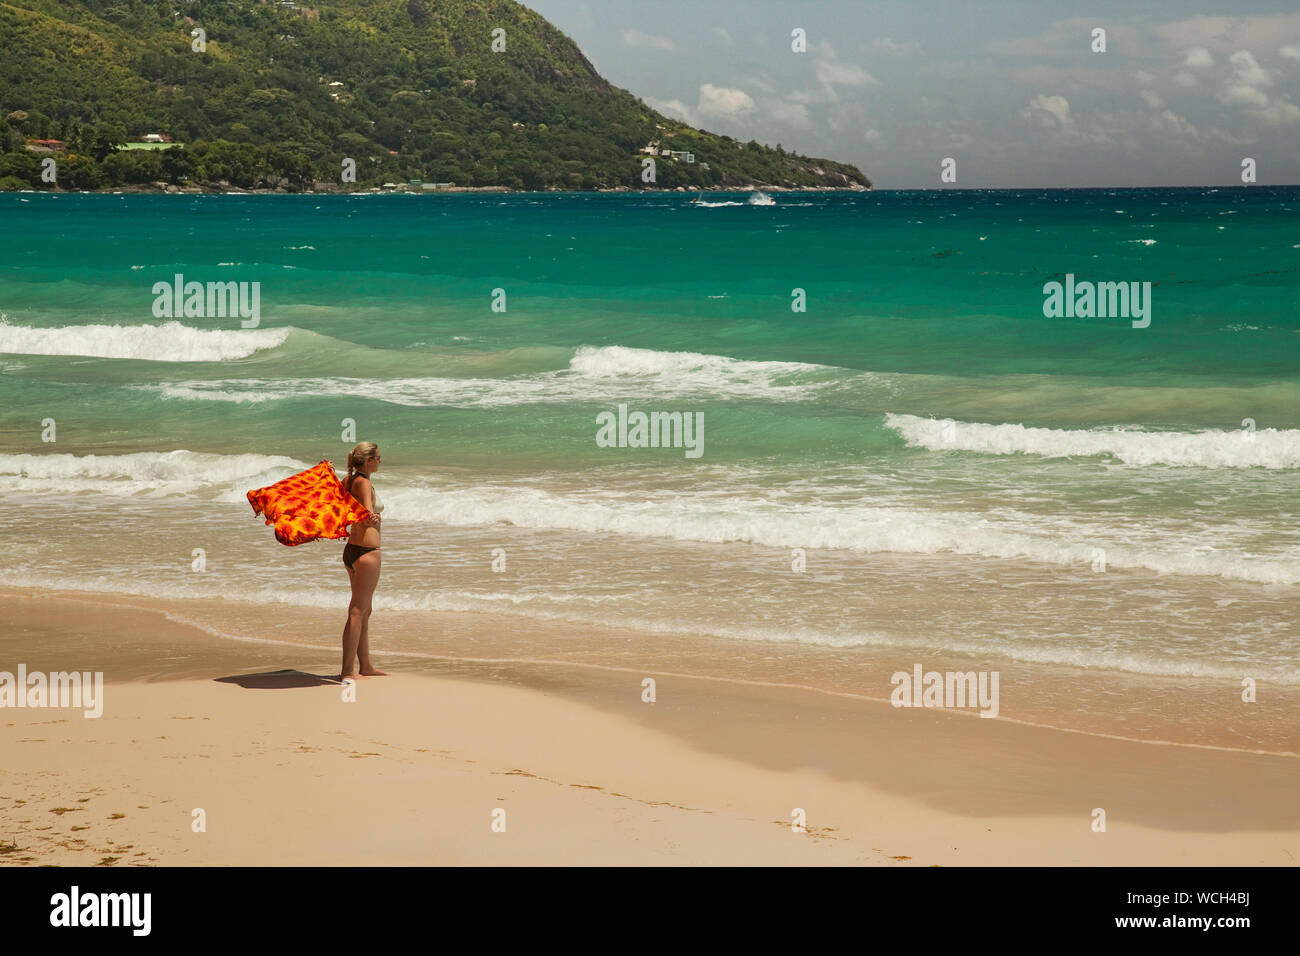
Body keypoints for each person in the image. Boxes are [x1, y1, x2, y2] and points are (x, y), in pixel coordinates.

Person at [339, 442, 388, 679]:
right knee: (358, 611)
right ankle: (347, 671)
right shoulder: (365, 482)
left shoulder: (347, 480)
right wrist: (373, 517)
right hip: (367, 552)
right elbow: (367, 514)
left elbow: (334, 503)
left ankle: (365, 665)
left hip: (351, 551)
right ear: (368, 460)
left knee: (364, 610)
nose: (380, 461)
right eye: (378, 458)